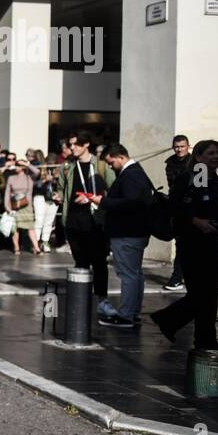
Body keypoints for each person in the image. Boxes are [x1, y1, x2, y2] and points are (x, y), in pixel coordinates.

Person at [151, 140, 218, 352]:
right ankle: (176, 323)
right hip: (195, 244)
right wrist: (199, 222)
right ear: (198, 157)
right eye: (211, 153)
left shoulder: (213, 179)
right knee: (203, 294)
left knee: (210, 292)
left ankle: (196, 334)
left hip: (211, 243)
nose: (215, 157)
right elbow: (180, 209)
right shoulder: (199, 175)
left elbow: (217, 212)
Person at [98, 143, 154, 329]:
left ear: (120, 157)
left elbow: (129, 203)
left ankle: (126, 314)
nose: (110, 166)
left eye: (110, 162)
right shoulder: (136, 173)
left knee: (129, 274)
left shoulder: (130, 175)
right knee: (135, 274)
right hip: (135, 232)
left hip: (127, 233)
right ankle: (132, 312)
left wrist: (103, 202)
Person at [59, 131, 114, 303]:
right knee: (80, 262)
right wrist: (58, 197)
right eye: (70, 145)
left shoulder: (101, 166)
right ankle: (82, 298)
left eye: (75, 144)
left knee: (99, 262)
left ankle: (101, 299)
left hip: (95, 221)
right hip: (73, 221)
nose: (72, 148)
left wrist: (92, 197)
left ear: (86, 145)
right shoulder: (67, 167)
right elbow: (62, 190)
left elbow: (114, 191)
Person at [162, 135, 190, 291]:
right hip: (178, 208)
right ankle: (177, 277)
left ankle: (180, 277)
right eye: (177, 146)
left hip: (192, 208)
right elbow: (173, 185)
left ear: (188, 146)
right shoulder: (170, 163)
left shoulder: (197, 164)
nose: (179, 149)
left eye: (182, 146)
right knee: (181, 243)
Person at [3, 156, 40, 256]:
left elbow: (37, 172)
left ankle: (36, 247)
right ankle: (16, 248)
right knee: (15, 228)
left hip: (26, 205)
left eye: (18, 166)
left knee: (30, 227)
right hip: (15, 205)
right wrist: (7, 207)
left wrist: (27, 164)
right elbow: (7, 193)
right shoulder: (11, 178)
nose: (16, 167)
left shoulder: (29, 177)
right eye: (16, 165)